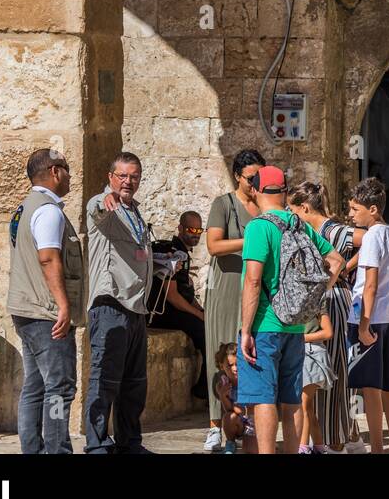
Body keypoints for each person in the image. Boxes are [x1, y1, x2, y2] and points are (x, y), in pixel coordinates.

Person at [238, 166, 343, 454]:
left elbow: (253, 279)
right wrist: (315, 294)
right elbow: (336, 260)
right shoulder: (300, 225)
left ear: (256, 190)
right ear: (284, 192)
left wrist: (246, 330)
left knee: (263, 398)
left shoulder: (259, 227)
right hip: (295, 326)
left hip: (265, 324)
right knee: (291, 400)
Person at [7, 148, 85, 454]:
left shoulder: (24, 208)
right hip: (46, 313)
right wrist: (63, 306)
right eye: (66, 168)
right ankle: (56, 449)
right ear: (54, 171)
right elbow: (48, 259)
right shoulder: (49, 211)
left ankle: (33, 450)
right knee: (59, 389)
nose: (70, 175)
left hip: (25, 309)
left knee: (35, 386)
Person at [84, 152, 154, 454]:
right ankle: (97, 443)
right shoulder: (103, 203)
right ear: (111, 177)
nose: (128, 182)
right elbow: (98, 209)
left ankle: (130, 443)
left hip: (136, 307)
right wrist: (105, 200)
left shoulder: (135, 211)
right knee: (105, 378)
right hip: (111, 303)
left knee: (134, 382)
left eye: (134, 176)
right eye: (122, 176)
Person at [290, 181, 364, 452]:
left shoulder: (334, 230)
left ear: (305, 207)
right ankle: (340, 435)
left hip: (333, 302)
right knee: (323, 372)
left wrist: (345, 268)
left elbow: (369, 239)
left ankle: (336, 439)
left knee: (334, 370)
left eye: (293, 208)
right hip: (323, 300)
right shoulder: (309, 231)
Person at [202, 149, 263, 452]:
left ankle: (246, 423)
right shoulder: (223, 204)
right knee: (221, 353)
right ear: (238, 176)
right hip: (226, 287)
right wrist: (252, 239)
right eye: (252, 177)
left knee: (248, 356)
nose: (256, 183)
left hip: (255, 290)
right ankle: (215, 424)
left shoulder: (265, 206)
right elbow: (213, 245)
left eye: (260, 177)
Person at [346, 177, 389, 454]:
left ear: (372, 209)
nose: (350, 214)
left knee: (370, 388)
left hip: (371, 317)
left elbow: (370, 284)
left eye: (355, 209)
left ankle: (377, 449)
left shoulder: (370, 236)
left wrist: (363, 325)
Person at [148, 211, 207, 401]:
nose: (195, 234)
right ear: (180, 229)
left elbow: (186, 291)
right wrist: (198, 315)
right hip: (165, 313)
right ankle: (204, 389)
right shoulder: (174, 252)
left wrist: (201, 310)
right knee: (204, 332)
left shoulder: (183, 253)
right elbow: (173, 297)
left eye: (199, 230)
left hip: (176, 309)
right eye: (191, 229)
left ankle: (206, 387)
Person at [299, 303, 333, 454]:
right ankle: (319, 447)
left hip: (312, 355)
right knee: (308, 407)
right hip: (300, 355)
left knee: (304, 405)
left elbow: (327, 332)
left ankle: (303, 448)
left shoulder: (318, 301)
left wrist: (301, 338)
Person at [212, 342, 254, 454]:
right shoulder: (222, 385)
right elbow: (228, 411)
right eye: (230, 365)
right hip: (239, 424)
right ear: (221, 366)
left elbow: (244, 410)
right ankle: (230, 443)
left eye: (238, 364)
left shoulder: (248, 381)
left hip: (253, 425)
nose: (235, 369)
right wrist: (222, 396)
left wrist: (236, 408)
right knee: (227, 417)